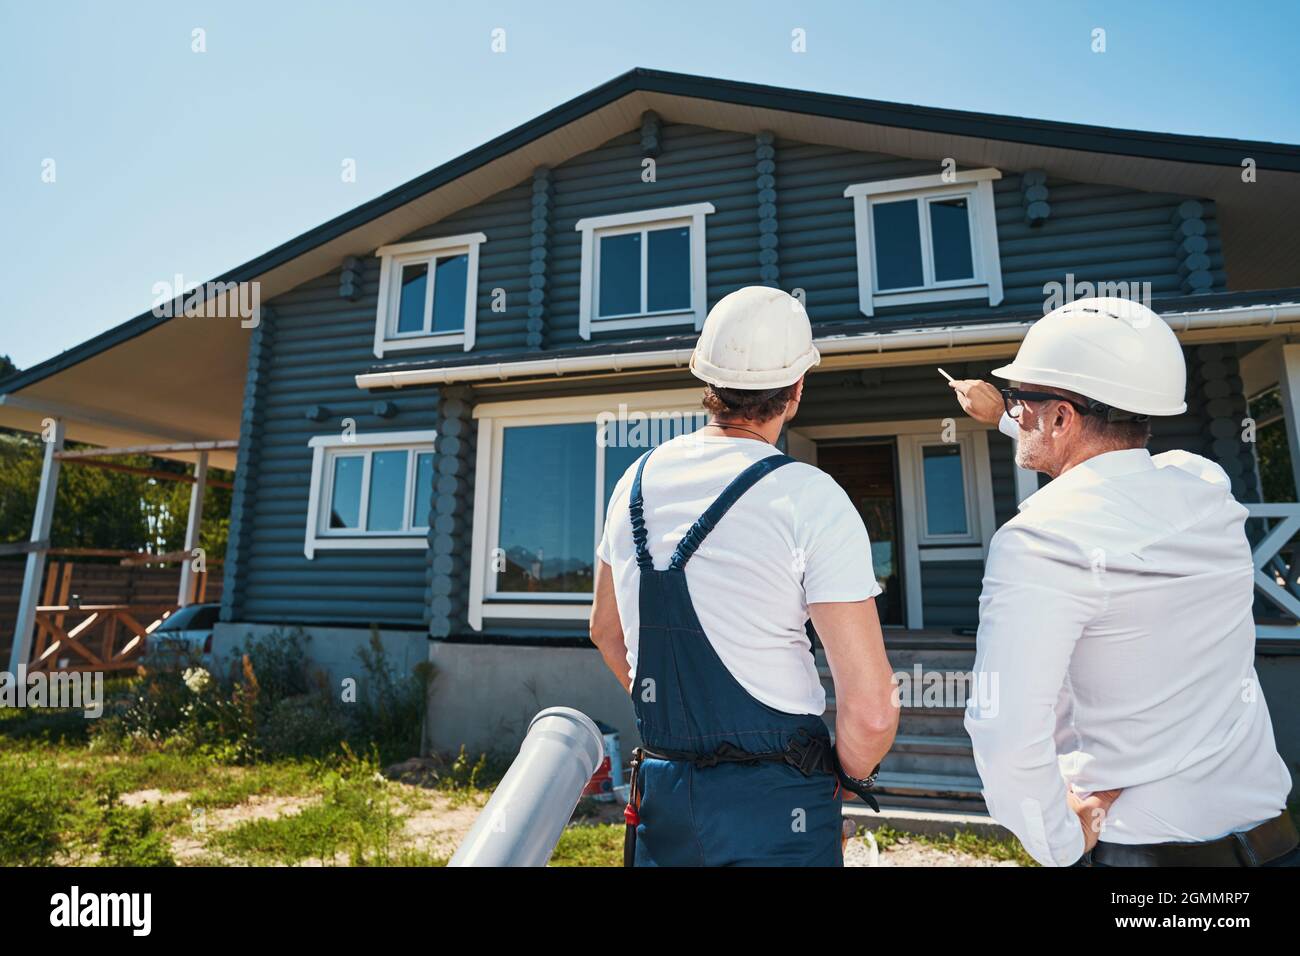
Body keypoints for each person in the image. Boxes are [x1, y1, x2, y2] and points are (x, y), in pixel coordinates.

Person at [949, 296, 1296, 867]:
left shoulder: (1040, 539)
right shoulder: (1206, 488)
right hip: (1275, 846)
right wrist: (1005, 414)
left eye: (1019, 402)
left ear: (1061, 416)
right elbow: (1103, 468)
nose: (1014, 414)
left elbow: (1004, 728)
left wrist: (1058, 841)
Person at [589, 286, 898, 866]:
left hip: (663, 793)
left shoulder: (632, 481)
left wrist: (680, 725)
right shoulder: (810, 496)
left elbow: (607, 633)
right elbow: (873, 710)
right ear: (798, 390)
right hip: (779, 802)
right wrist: (841, 781)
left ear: (705, 382)